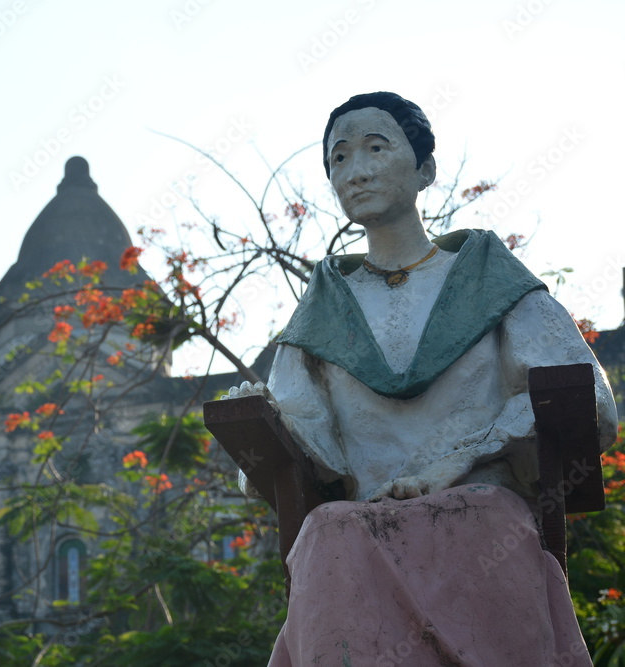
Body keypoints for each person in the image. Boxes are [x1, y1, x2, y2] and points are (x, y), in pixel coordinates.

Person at [229, 92, 618, 666]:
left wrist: (461, 460)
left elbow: (591, 401)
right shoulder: (321, 314)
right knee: (324, 534)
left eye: (376, 148)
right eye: (338, 159)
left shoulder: (491, 282)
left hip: (483, 511)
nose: (356, 171)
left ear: (425, 170)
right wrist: (267, 422)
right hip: (356, 527)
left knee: (482, 513)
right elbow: (281, 455)